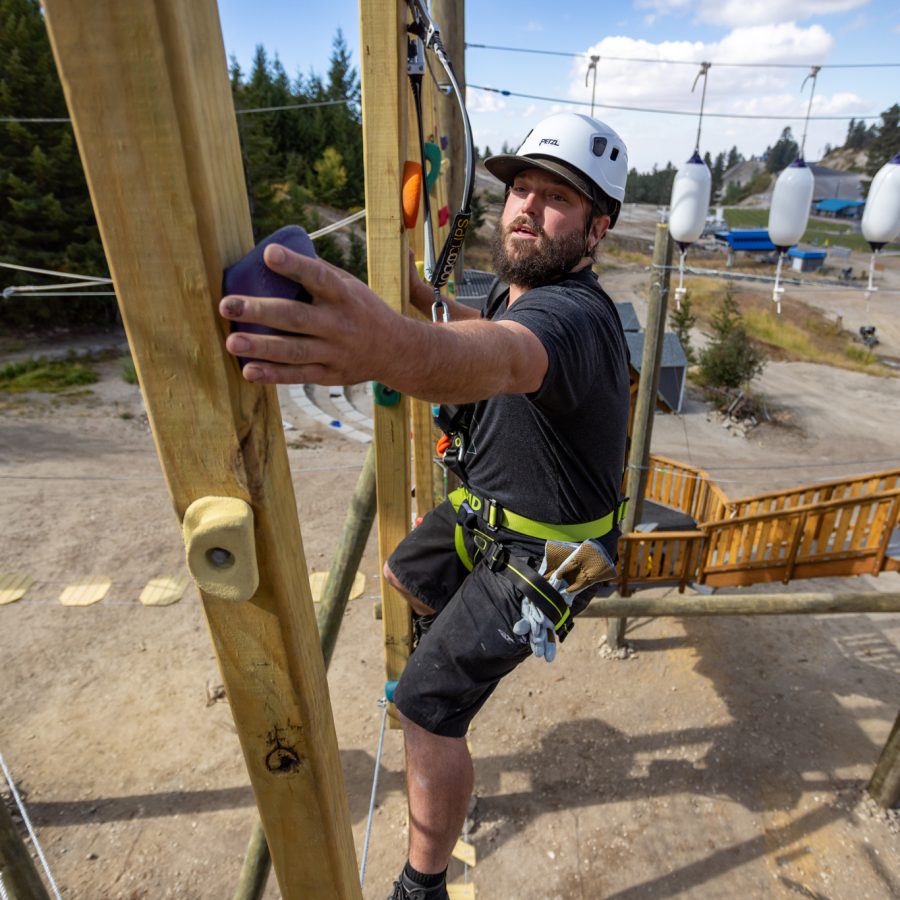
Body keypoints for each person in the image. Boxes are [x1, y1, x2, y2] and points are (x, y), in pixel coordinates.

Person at [219, 112, 631, 900]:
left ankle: (423, 882)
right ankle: (446, 653)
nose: (525, 209)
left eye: (556, 200)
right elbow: (482, 325)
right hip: (490, 516)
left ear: (597, 231)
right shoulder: (519, 292)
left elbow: (489, 356)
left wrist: (384, 344)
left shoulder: (573, 316)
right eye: (521, 190)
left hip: (545, 560)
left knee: (426, 707)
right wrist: (414, 299)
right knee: (402, 574)